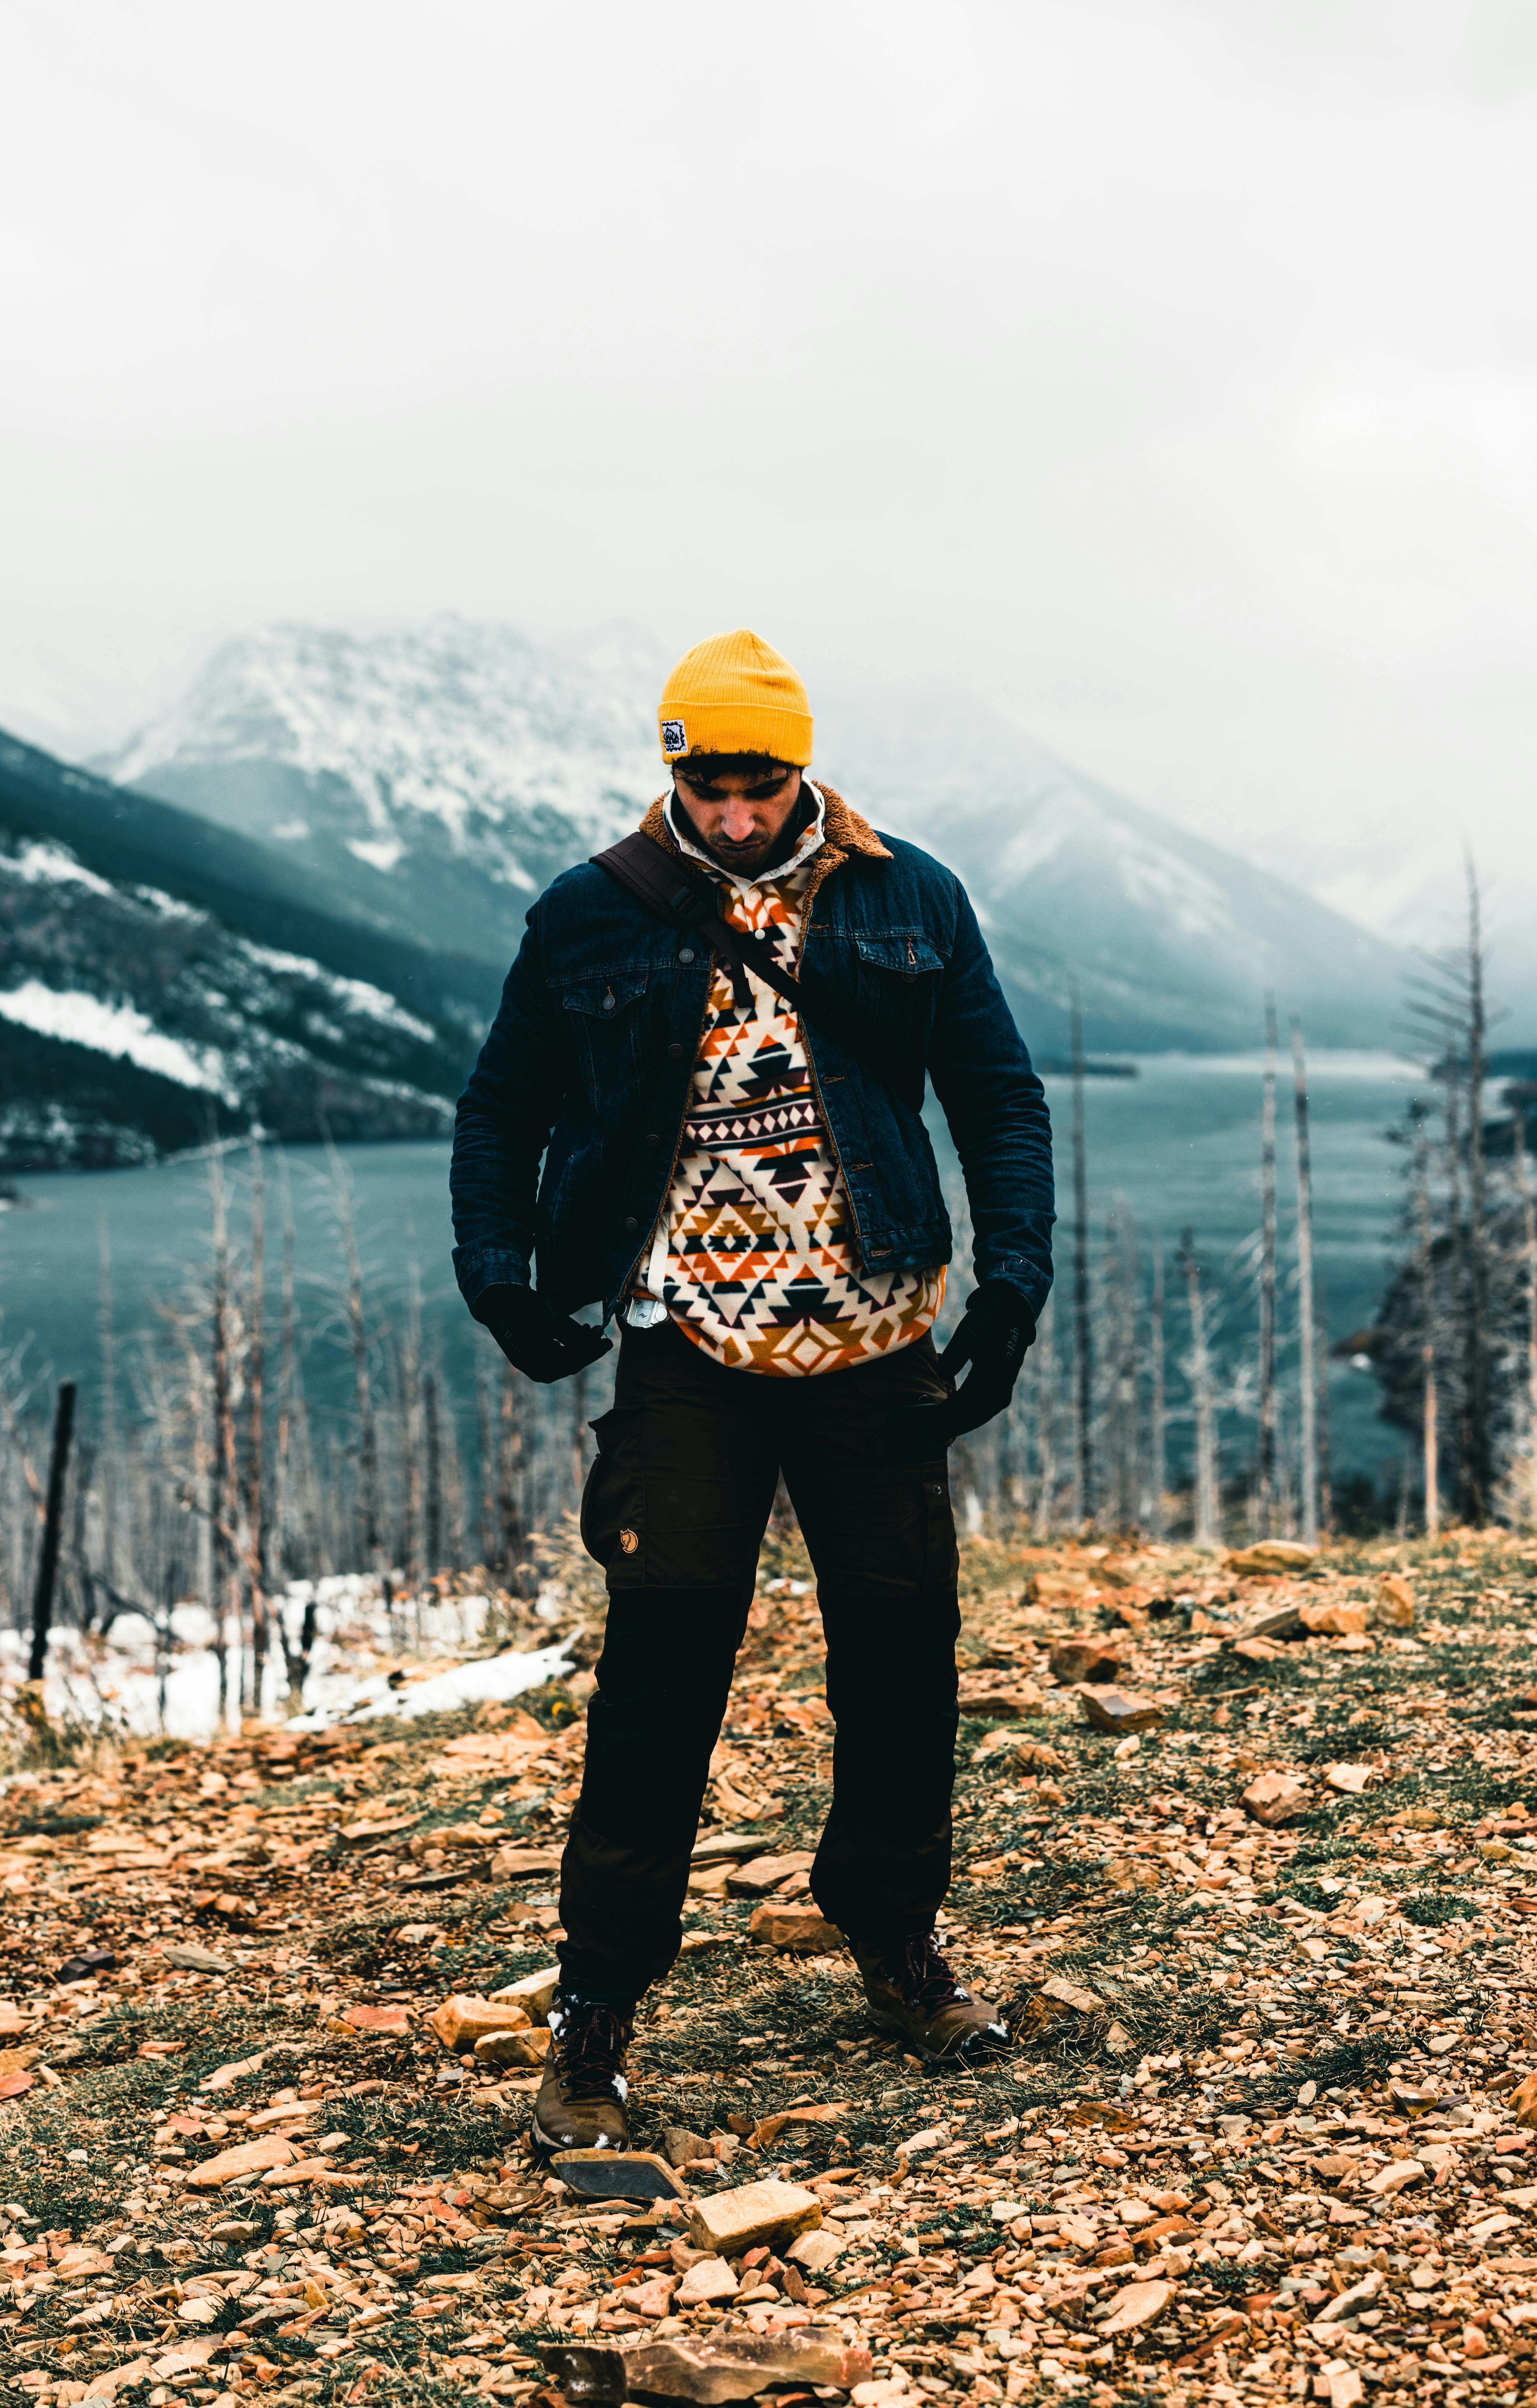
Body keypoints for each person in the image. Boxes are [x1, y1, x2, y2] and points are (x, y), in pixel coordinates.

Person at [451, 629, 1054, 2153]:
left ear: (803, 765)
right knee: (662, 1667)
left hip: (875, 1337)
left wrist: (1017, 1280)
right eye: (706, 784)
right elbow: (503, 1103)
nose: (732, 813)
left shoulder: (907, 893)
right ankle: (597, 2009)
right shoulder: (592, 911)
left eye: (758, 782)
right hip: (686, 1354)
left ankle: (895, 1944)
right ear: (674, 771)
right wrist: (500, 1270)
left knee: (904, 1653)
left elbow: (996, 1092)